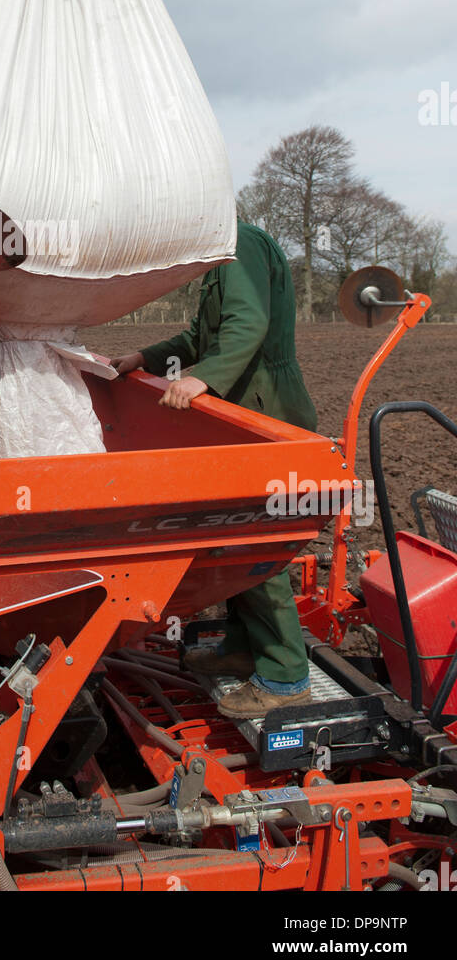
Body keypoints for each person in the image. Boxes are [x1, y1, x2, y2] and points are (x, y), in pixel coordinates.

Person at [110, 220, 317, 718]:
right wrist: (144, 357)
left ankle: (286, 678)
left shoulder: (239, 244)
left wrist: (205, 379)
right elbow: (201, 336)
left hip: (266, 406)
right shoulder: (223, 251)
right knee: (234, 539)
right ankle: (248, 645)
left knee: (255, 543)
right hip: (251, 400)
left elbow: (247, 324)